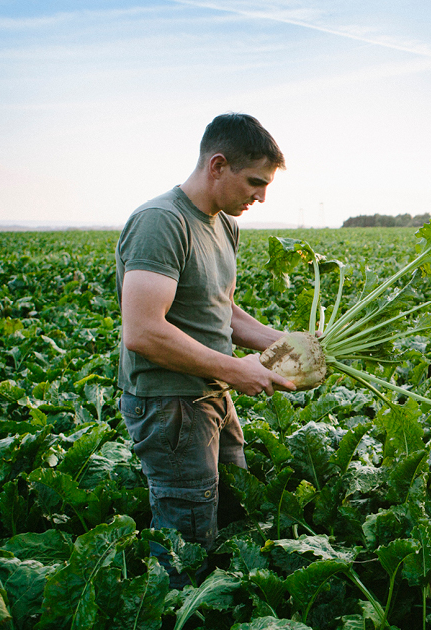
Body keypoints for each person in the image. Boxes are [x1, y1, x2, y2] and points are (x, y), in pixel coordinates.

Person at [115, 112, 305, 585]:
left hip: (213, 395)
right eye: (254, 182)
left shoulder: (223, 225)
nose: (261, 196)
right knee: (186, 539)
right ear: (217, 165)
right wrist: (237, 371)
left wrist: (289, 345)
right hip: (171, 405)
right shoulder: (161, 222)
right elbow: (142, 331)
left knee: (233, 510)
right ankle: (173, 608)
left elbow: (222, 310)